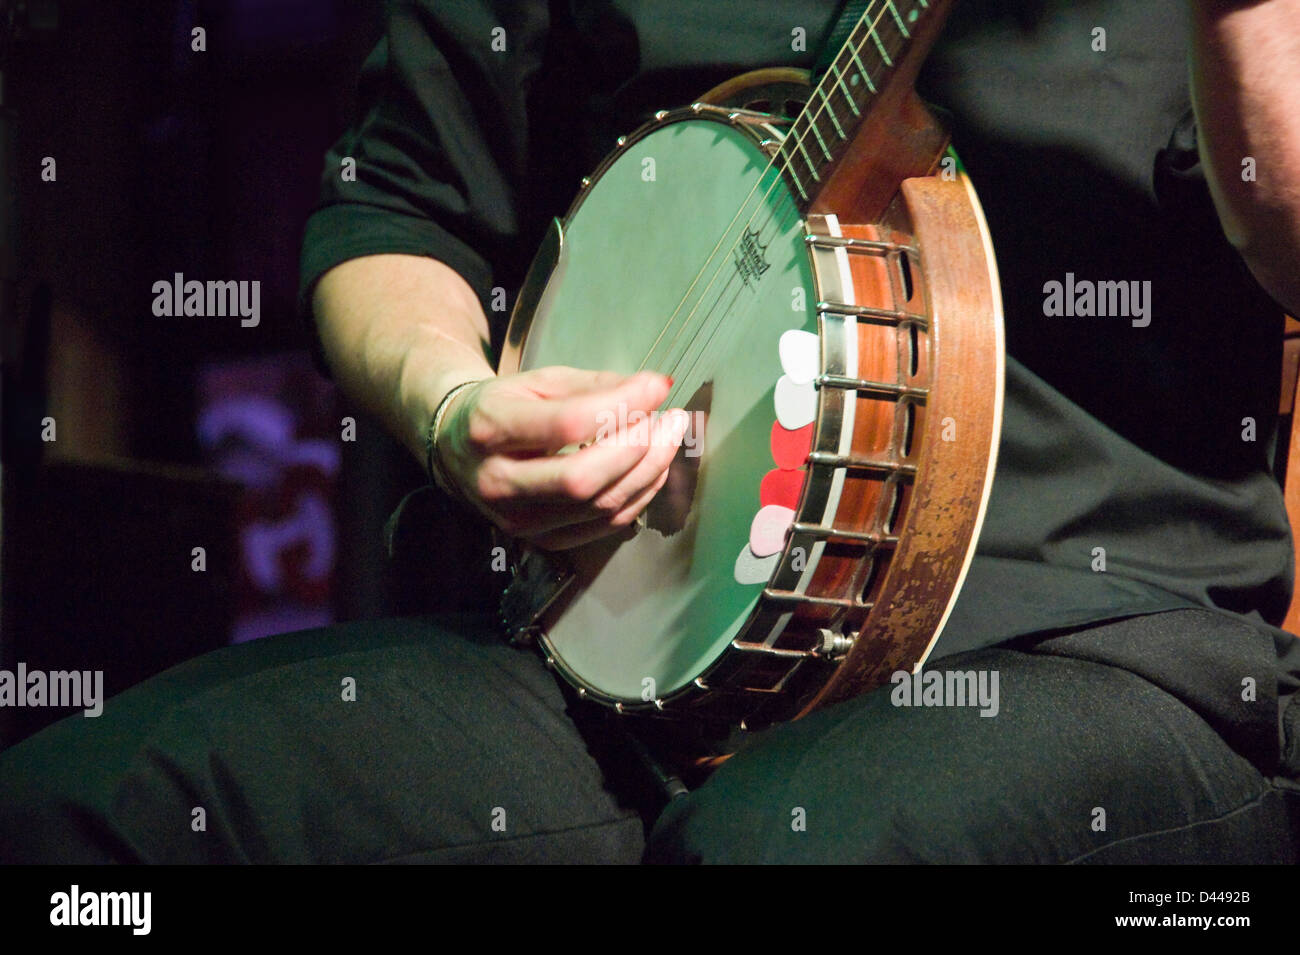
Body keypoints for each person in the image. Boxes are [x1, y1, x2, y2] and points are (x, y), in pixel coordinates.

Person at [2, 0, 1300, 864]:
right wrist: (454, 405)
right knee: (83, 815)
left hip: (1087, 644)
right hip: (619, 655)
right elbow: (397, 208)